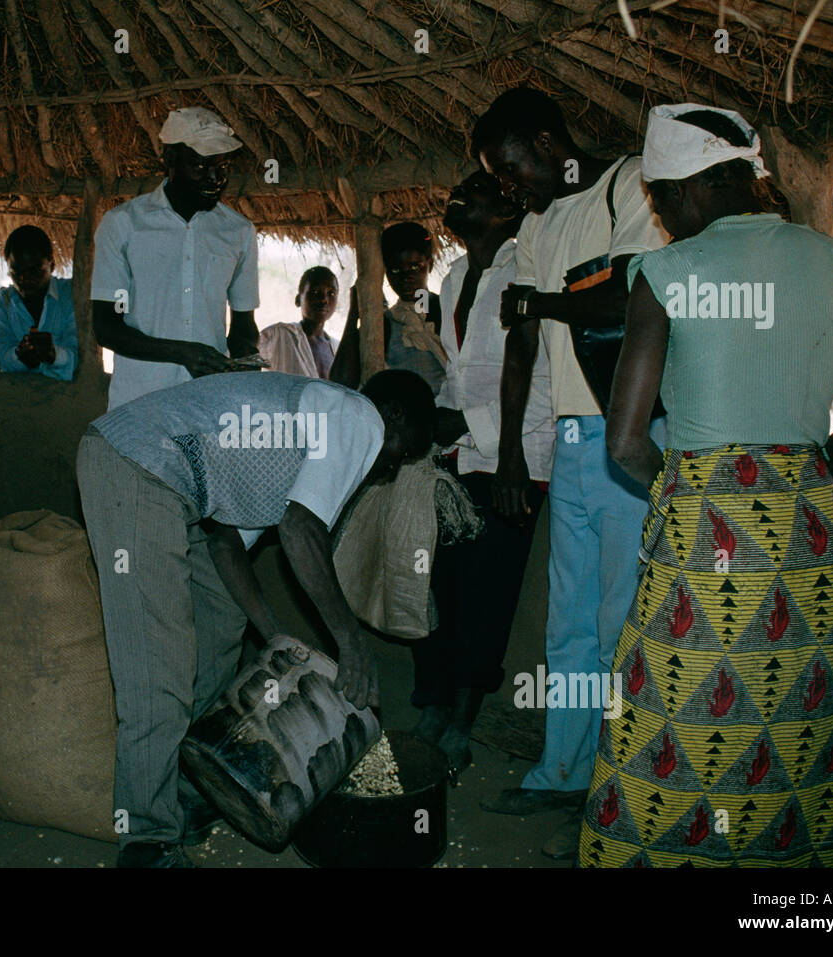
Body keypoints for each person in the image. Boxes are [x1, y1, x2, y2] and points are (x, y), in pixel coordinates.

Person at [578, 105, 833, 867]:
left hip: (707, 538)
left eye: (660, 202)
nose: (661, 221)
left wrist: (695, 488)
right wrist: (803, 470)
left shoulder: (664, 275)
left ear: (690, 191)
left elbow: (626, 444)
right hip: (813, 541)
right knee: (797, 734)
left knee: (668, 726)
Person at [77, 368, 436, 867]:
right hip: (138, 464)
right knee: (160, 667)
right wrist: (351, 644)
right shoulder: (361, 418)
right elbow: (301, 530)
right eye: (403, 451)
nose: (392, 468)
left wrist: (275, 640)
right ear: (393, 417)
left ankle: (188, 788)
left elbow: (226, 546)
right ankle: (147, 841)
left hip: (168, 480)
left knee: (223, 620)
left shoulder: (297, 443)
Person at [472, 86, 670, 860]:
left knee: (622, 620)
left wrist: (544, 303)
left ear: (553, 142)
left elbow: (626, 295)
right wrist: (518, 453)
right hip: (572, 440)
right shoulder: (535, 225)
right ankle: (563, 771)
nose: (511, 184)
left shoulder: (629, 187)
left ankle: (615, 790)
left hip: (633, 437)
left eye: (515, 165)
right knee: (569, 626)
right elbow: (523, 342)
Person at [415, 171, 554, 774]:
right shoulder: (453, 278)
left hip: (513, 459)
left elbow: (544, 384)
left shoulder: (529, 270)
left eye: (476, 189)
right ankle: (434, 702)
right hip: (458, 456)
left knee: (487, 596)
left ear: (509, 206)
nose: (458, 194)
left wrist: (467, 426)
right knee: (440, 585)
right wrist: (441, 425)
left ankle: (462, 721)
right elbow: (459, 372)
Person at [91, 107, 260, 408]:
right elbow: (107, 328)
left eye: (222, 168)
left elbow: (244, 326)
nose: (215, 179)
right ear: (169, 159)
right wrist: (184, 354)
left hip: (207, 405)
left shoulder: (239, 231)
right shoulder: (123, 225)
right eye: (200, 166)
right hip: (139, 406)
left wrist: (244, 366)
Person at [331, 223, 445, 394]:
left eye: (414, 267)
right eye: (395, 270)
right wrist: (354, 313)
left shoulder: (447, 310)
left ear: (430, 264)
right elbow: (342, 381)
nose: (406, 277)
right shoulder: (385, 324)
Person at [0, 225, 77, 379]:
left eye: (34, 270)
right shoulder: (3, 302)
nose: (23, 278)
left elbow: (79, 358)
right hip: (20, 397)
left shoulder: (71, 295)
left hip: (67, 397)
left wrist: (53, 355)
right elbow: (3, 360)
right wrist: (19, 356)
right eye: (16, 271)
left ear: (52, 264)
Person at [257, 266, 339, 378]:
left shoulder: (337, 349)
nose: (323, 299)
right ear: (298, 300)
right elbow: (244, 359)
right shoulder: (278, 336)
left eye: (331, 293)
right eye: (315, 292)